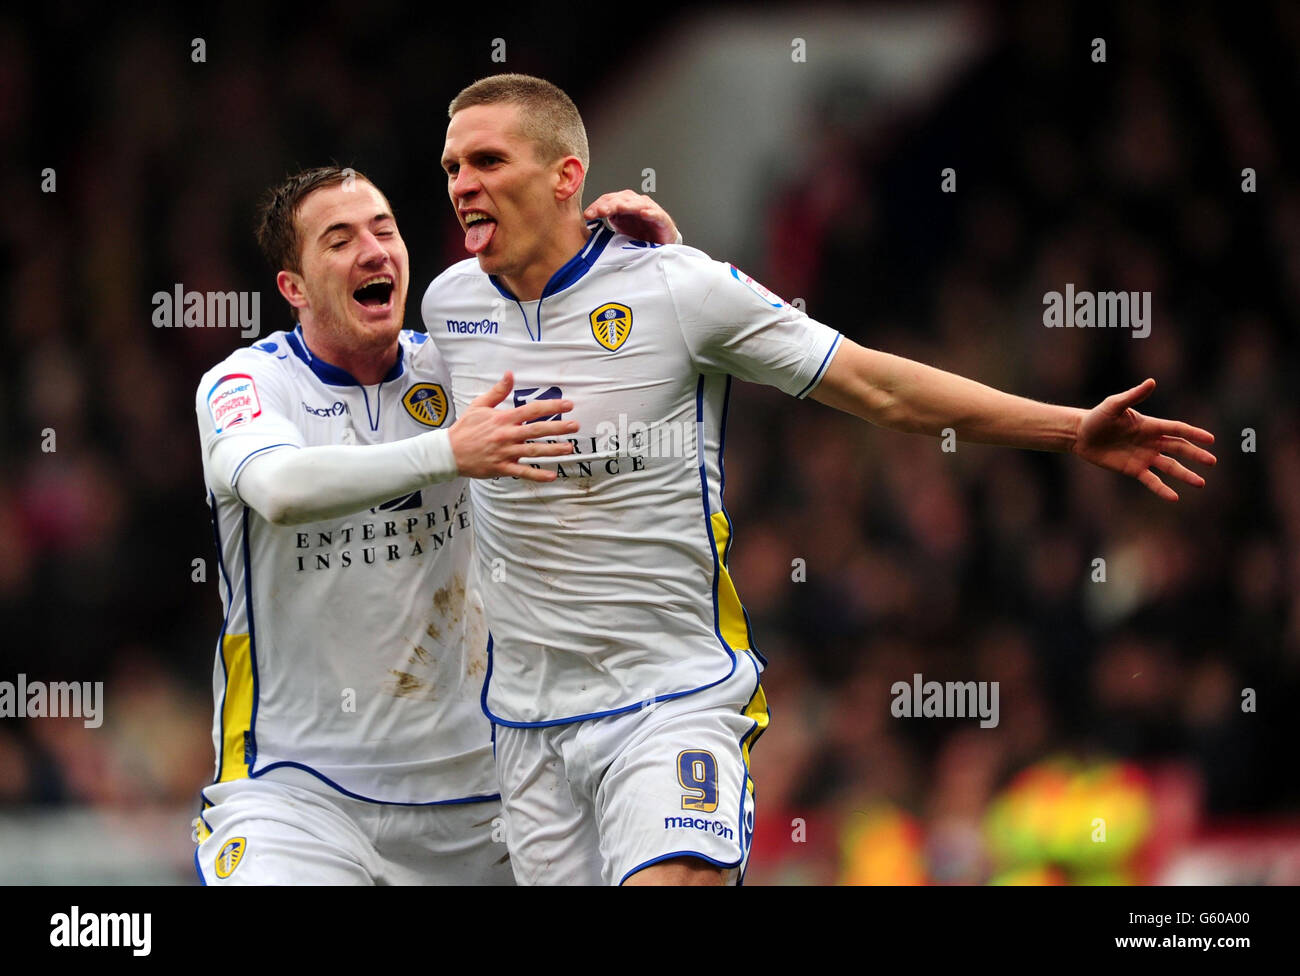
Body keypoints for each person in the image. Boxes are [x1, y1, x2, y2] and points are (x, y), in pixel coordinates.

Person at [421, 73, 1217, 886]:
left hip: (669, 702)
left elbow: (879, 386)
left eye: (486, 160)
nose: (462, 185)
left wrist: (1070, 429)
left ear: (565, 176)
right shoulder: (447, 308)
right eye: (451, 167)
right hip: (527, 727)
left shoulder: (677, 289)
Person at [192, 164, 678, 884]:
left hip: (487, 803)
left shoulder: (457, 367)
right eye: (339, 240)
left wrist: (655, 271)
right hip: (298, 797)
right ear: (293, 287)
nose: (373, 250)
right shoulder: (248, 384)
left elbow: (620, 393)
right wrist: (448, 451)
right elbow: (278, 487)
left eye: (383, 230)